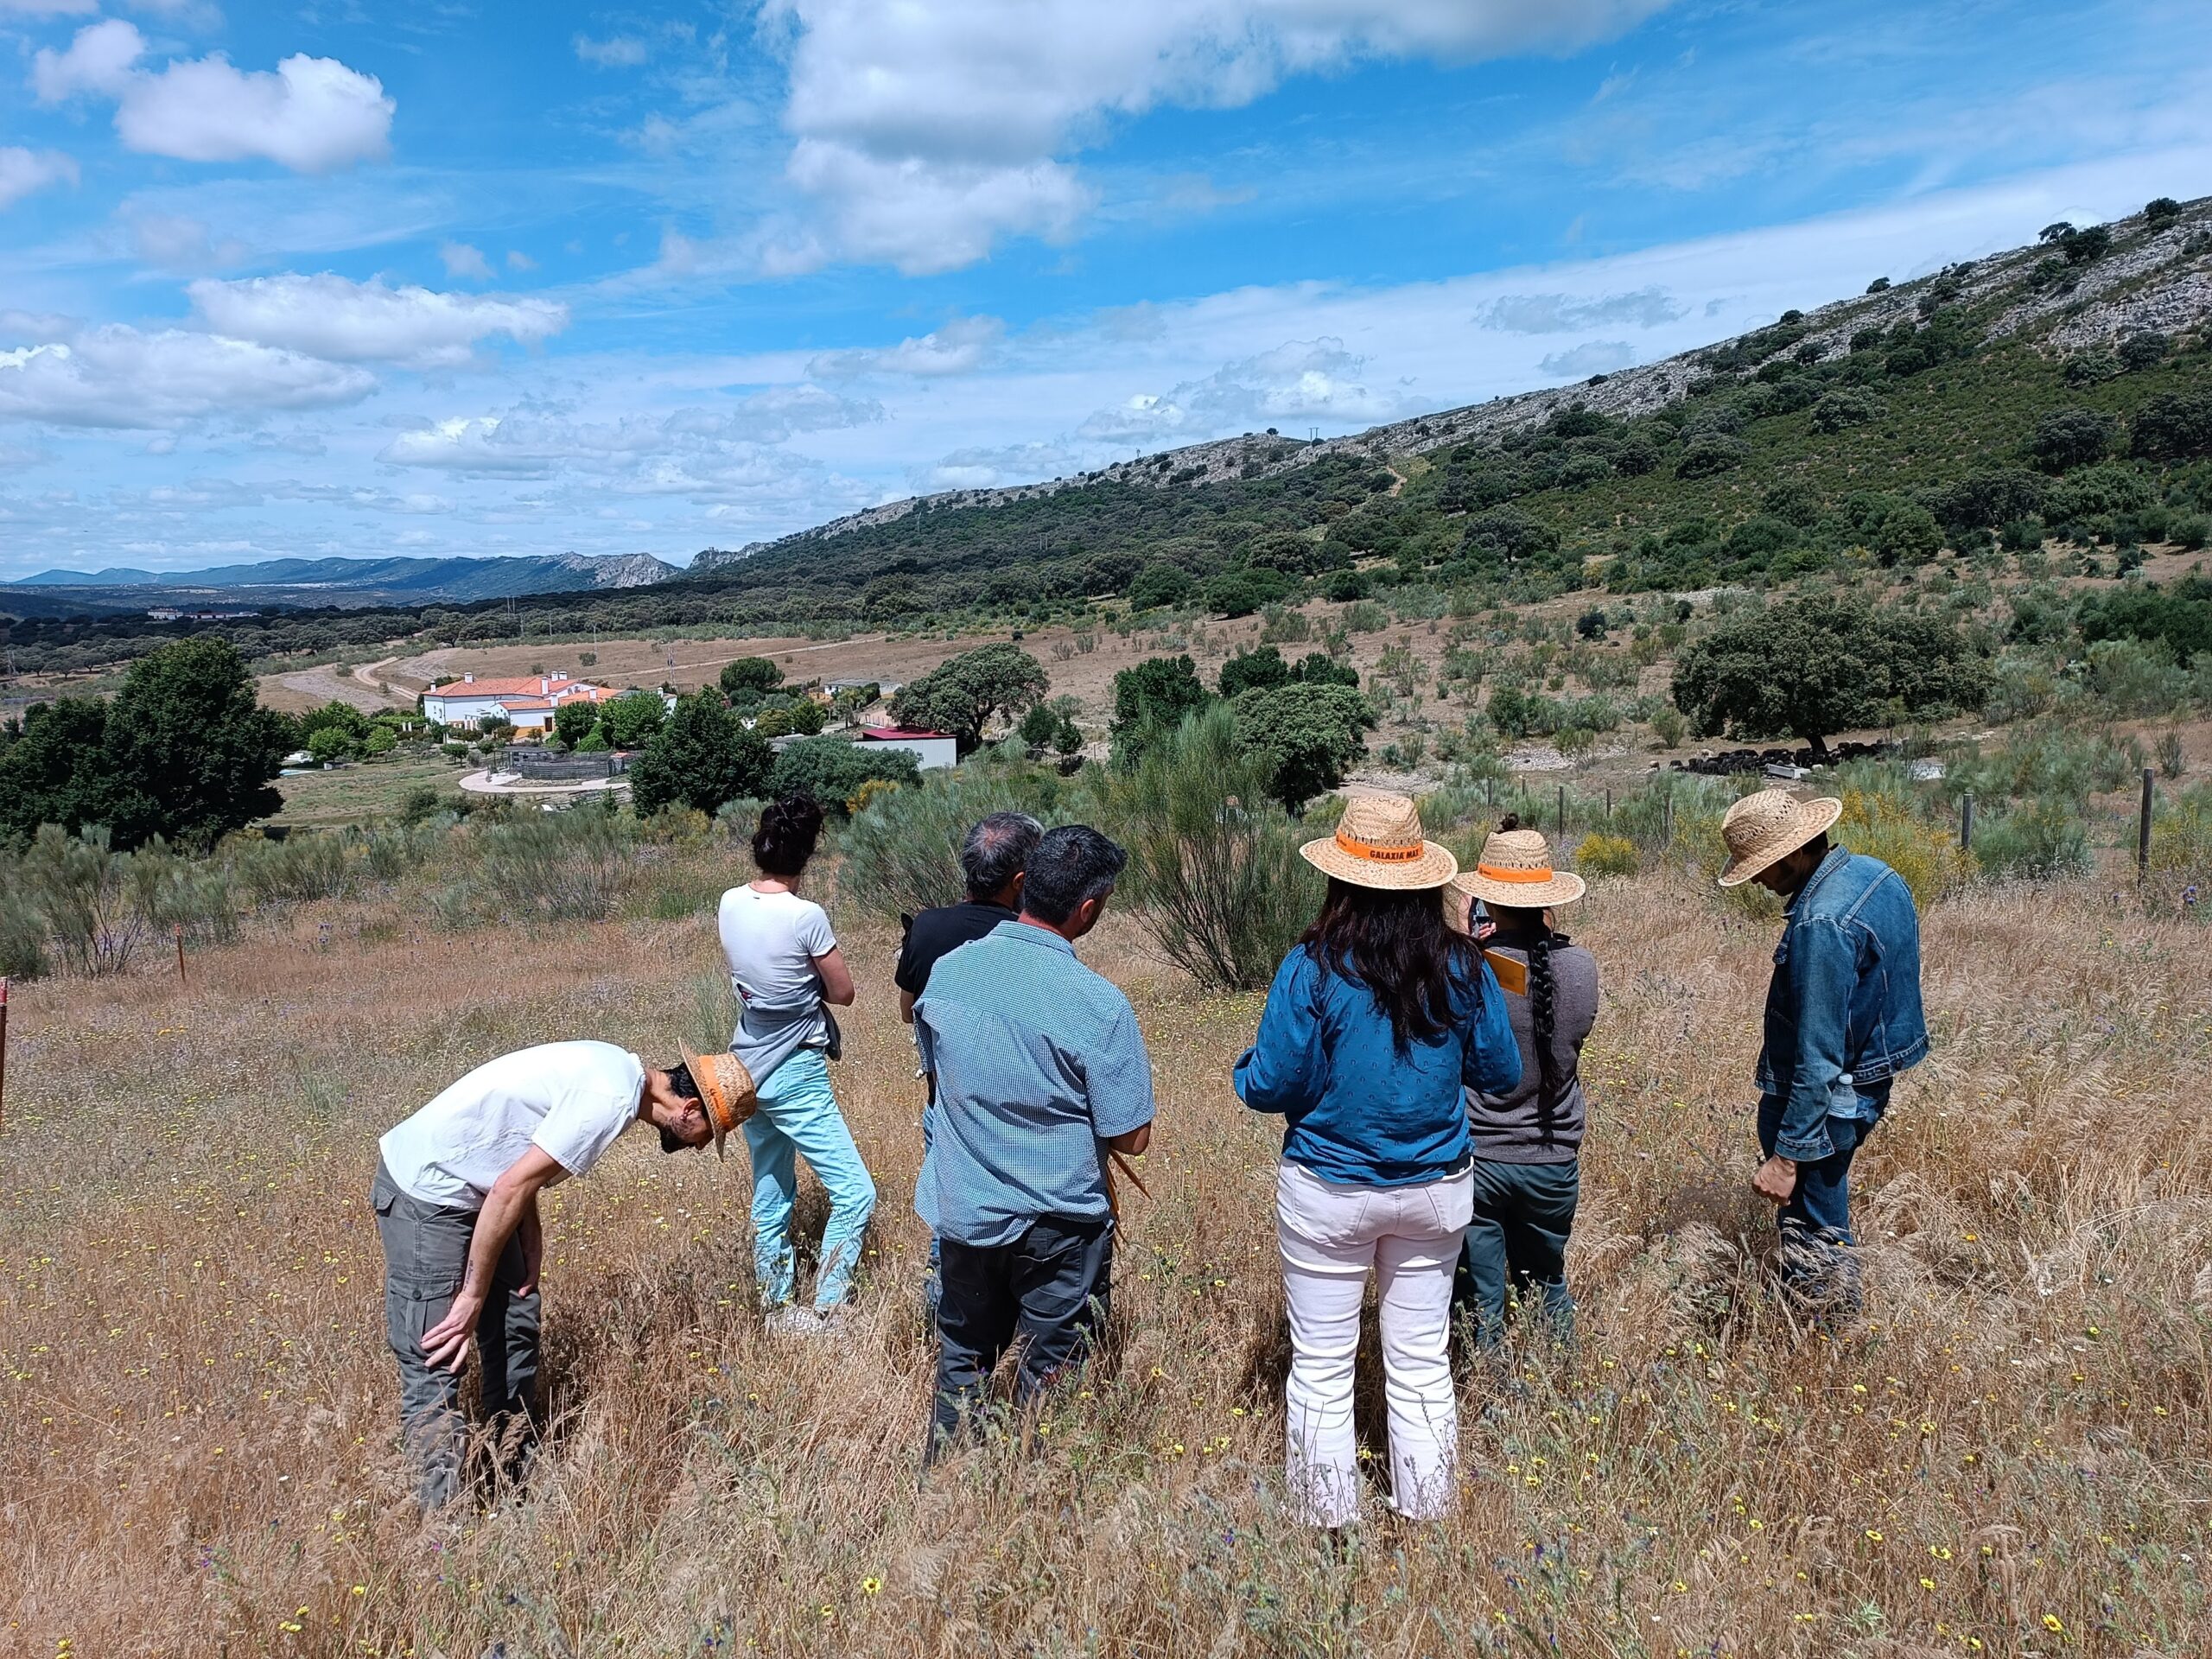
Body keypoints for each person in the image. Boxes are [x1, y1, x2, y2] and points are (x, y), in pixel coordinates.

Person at [1234, 793, 1521, 1530]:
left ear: (1340, 879)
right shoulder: (1463, 965)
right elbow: (1498, 1072)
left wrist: (1246, 1070)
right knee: (1422, 1360)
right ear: (1426, 881)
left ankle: (1329, 1525)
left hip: (1329, 1186)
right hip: (1435, 1188)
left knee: (1323, 1367)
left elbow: (1271, 1085)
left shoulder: (1313, 965)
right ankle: (1427, 1515)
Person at [372, 1039, 747, 1508]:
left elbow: (517, 1155)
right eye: (708, 1135)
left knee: (515, 1324)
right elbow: (512, 1184)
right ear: (690, 1109)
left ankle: (510, 1477)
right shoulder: (609, 1100)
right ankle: (439, 1535)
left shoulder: (619, 1076)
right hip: (429, 1191)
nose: (698, 1147)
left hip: (478, 1190)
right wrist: (471, 1295)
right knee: (439, 1354)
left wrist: (531, 1235)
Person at [914, 824, 1154, 1460]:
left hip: (966, 1212)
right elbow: (1131, 1138)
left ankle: (944, 1492)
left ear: (1026, 884)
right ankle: (1034, 1490)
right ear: (1088, 909)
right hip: (1059, 1225)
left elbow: (941, 1083)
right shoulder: (1099, 1005)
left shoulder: (946, 975)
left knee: (963, 1362)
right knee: (1054, 1372)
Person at [1718, 789, 1928, 1316]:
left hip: (1827, 1098)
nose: (1761, 882)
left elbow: (1818, 1056)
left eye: (1763, 869)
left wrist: (1787, 1156)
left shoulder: (1821, 924)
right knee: (1822, 1217)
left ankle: (1830, 1333)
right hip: (1869, 1080)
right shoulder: (1875, 874)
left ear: (1793, 854)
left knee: (1814, 1229)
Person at [718, 792, 876, 1332]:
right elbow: (844, 992)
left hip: (744, 1067)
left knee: (771, 1189)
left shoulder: (729, 902)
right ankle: (831, 1307)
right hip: (795, 1068)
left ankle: (776, 1307)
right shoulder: (806, 915)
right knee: (856, 1192)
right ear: (808, 854)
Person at [1445, 817, 1598, 1352]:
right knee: (1547, 1280)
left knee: (1478, 1298)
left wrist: (1468, 941)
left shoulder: (1469, 966)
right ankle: (1562, 1388)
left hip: (1482, 1155)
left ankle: (1490, 1394)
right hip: (1553, 1158)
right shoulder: (1581, 966)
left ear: (1486, 896)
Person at [893, 810, 1045, 1309]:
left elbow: (907, 1013)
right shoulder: (1031, 938)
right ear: (1021, 880)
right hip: (1023, 1108)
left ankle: (949, 1310)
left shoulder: (928, 928)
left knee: (953, 1215)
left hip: (949, 1104)